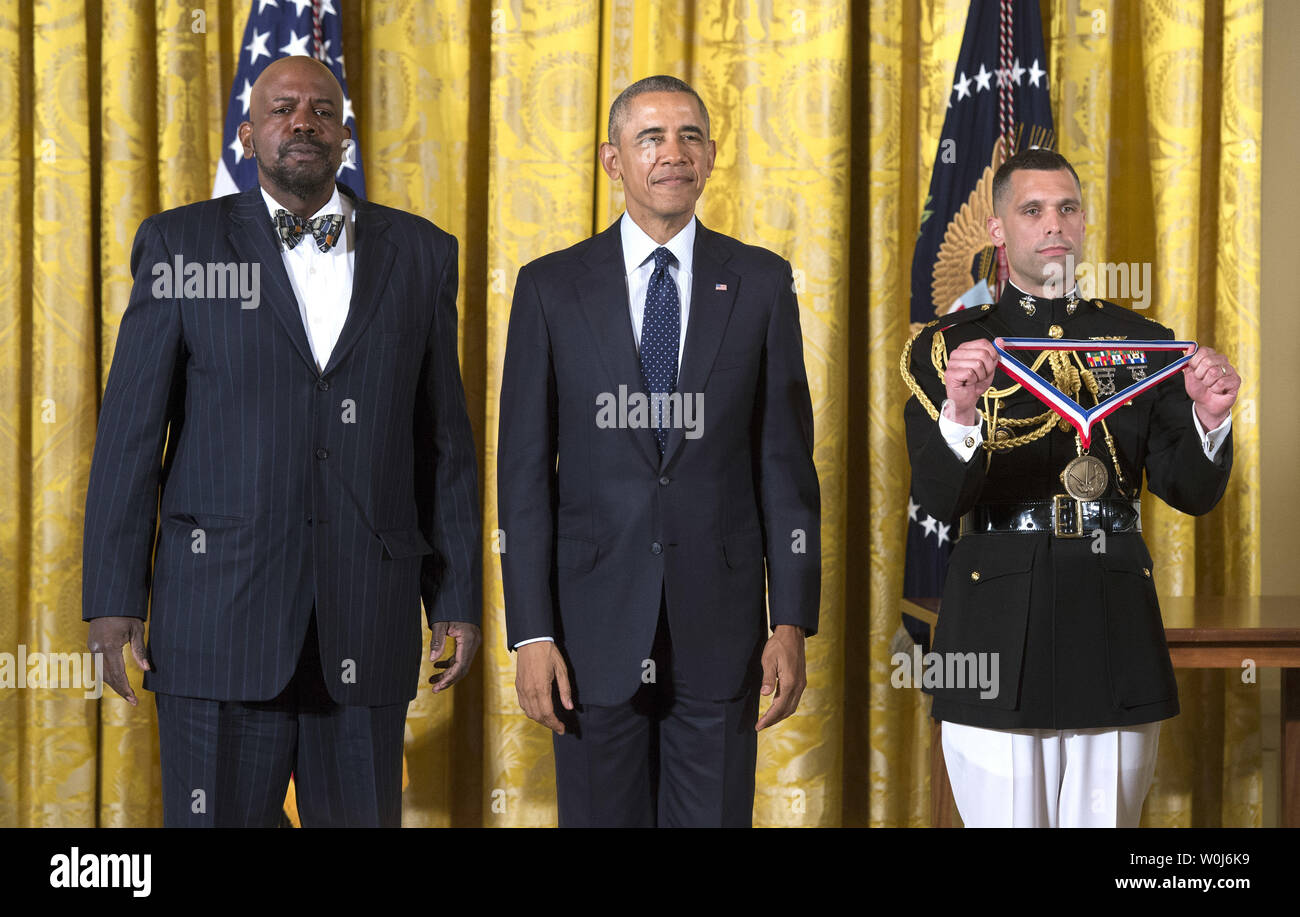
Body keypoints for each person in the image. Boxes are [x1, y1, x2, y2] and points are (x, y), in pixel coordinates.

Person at [81, 56, 482, 827]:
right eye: (282, 109)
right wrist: (113, 595)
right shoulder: (180, 245)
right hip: (218, 619)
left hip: (368, 614)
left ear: (344, 136)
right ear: (247, 133)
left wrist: (456, 597)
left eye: (322, 110)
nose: (303, 122)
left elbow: (443, 446)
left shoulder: (422, 253)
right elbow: (132, 432)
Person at [497, 75, 821, 827]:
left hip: (723, 634)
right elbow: (523, 476)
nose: (673, 153)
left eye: (690, 137)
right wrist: (532, 630)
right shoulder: (549, 287)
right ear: (613, 161)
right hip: (587, 636)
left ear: (709, 157)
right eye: (651, 138)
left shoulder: (763, 283)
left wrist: (791, 618)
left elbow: (784, 465)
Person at [902, 148, 1240, 828]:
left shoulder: (1144, 343)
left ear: (1083, 221)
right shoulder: (952, 347)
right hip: (996, 624)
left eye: (1067, 207)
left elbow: (1191, 491)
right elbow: (942, 500)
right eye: (1031, 210)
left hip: (1112, 613)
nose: (1053, 223)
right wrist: (961, 412)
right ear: (998, 231)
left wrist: (1209, 418)